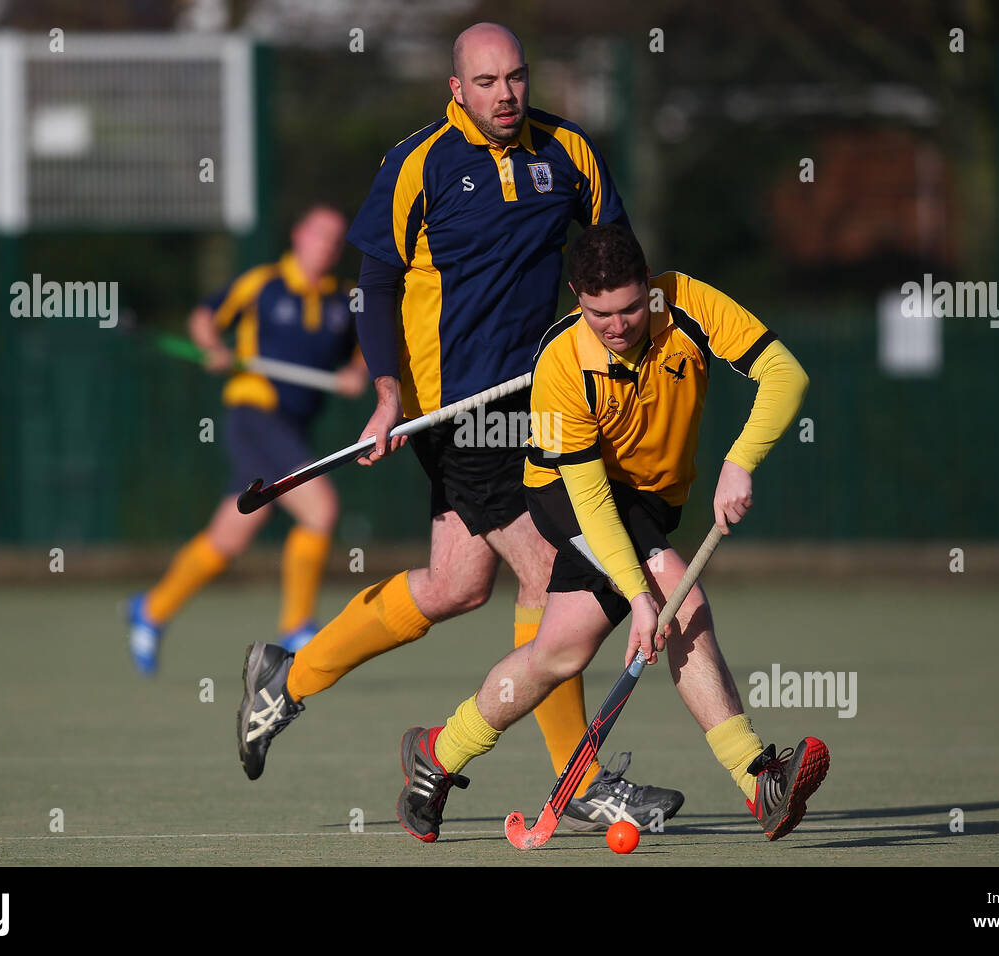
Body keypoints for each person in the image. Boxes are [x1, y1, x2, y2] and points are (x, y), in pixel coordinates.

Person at [237, 23, 682, 832]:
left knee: (457, 585)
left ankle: (288, 677)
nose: (505, 94)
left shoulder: (569, 151)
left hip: (538, 398)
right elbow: (372, 282)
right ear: (457, 89)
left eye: (515, 77)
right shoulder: (421, 163)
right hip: (459, 412)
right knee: (551, 575)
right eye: (486, 82)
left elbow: (613, 252)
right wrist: (384, 393)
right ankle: (575, 780)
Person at [395, 223, 829, 843]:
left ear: (649, 288)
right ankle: (758, 779)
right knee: (681, 600)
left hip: (650, 500)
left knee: (559, 653)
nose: (618, 326)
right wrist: (639, 596)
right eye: (600, 314)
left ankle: (437, 754)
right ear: (578, 297)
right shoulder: (561, 364)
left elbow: (786, 375)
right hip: (570, 493)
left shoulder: (686, 303)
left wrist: (741, 461)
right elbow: (592, 499)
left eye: (630, 308)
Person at [128, 205, 369, 674]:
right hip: (255, 413)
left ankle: (151, 610)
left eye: (336, 239)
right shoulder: (262, 284)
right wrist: (215, 350)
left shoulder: (347, 301)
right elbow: (204, 318)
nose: (328, 245)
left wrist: (357, 374)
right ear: (298, 235)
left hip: (294, 427)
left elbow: (364, 353)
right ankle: (298, 624)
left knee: (229, 537)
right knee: (320, 509)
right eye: (319, 234)